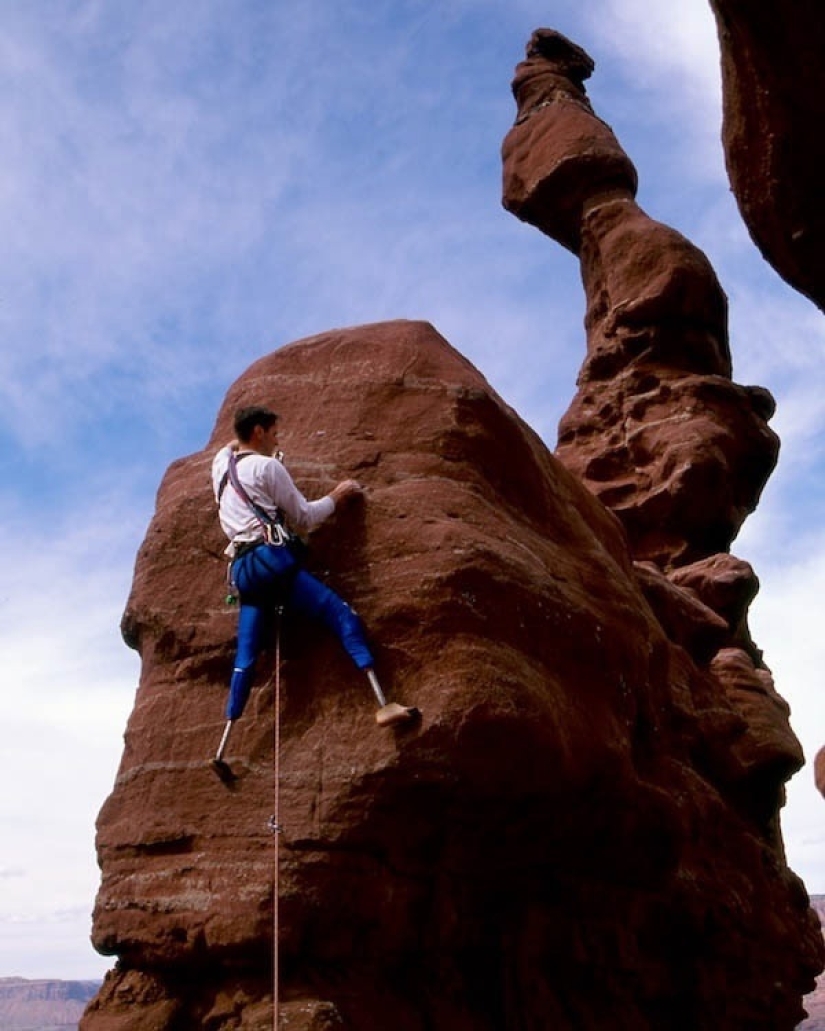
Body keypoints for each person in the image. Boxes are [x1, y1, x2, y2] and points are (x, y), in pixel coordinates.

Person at [210, 405, 417, 766]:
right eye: (273, 432)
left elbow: (231, 446)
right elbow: (304, 516)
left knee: (245, 657)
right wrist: (338, 495)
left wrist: (253, 442)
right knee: (340, 615)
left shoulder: (220, 466)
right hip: (273, 565)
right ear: (258, 432)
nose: (278, 439)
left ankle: (223, 748)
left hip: (243, 572)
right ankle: (384, 704)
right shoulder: (268, 467)